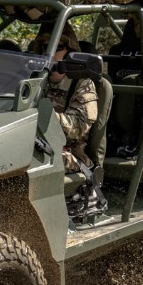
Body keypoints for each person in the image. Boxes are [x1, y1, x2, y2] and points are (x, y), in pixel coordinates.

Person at [42, 23, 98, 176]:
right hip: (36, 145)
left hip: (72, 155)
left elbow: (79, 127)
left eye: (57, 48)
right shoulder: (36, 81)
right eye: (44, 48)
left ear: (69, 52)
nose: (49, 54)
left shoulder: (83, 84)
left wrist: (44, 117)